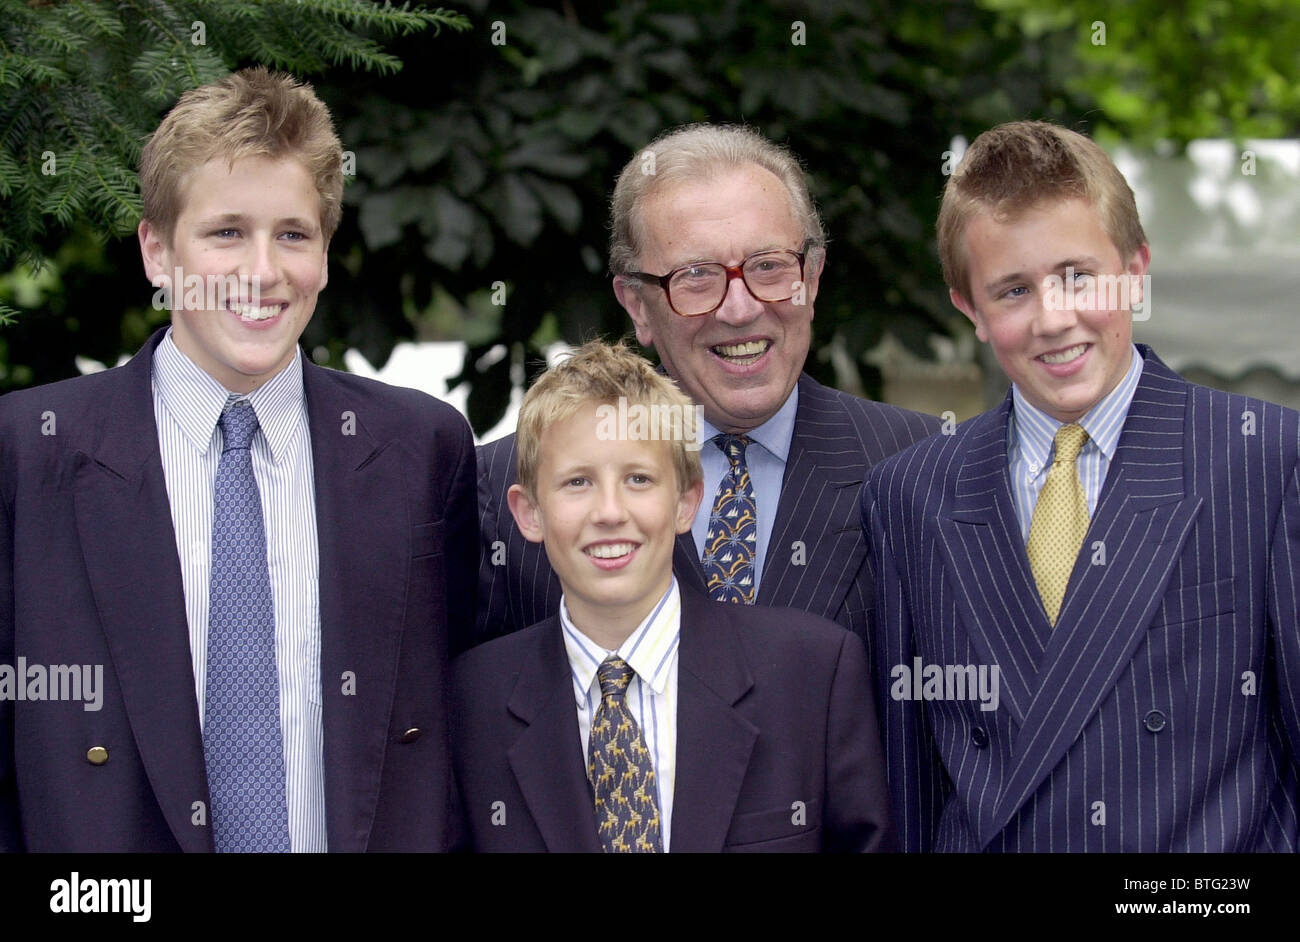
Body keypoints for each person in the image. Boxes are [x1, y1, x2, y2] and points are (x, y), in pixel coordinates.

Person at [0, 68, 476, 852]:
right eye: (226, 232)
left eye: (293, 233)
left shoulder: (420, 450)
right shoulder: (29, 452)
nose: (264, 270)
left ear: (324, 253)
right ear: (157, 251)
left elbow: (466, 716)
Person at [862, 119, 1300, 852]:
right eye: (1012, 291)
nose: (1053, 319)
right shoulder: (912, 494)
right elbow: (910, 785)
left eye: (1077, 276)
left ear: (1136, 269)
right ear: (968, 308)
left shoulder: (1263, 461)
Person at [476, 123, 939, 653]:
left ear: (810, 279)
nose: (740, 309)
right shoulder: (508, 484)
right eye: (695, 275)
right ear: (636, 305)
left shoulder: (923, 470)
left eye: (768, 266)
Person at [452, 340, 894, 852]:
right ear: (529, 512)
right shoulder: (471, 701)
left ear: (687, 501)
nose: (610, 511)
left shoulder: (811, 673)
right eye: (578, 482)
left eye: (638, 479)